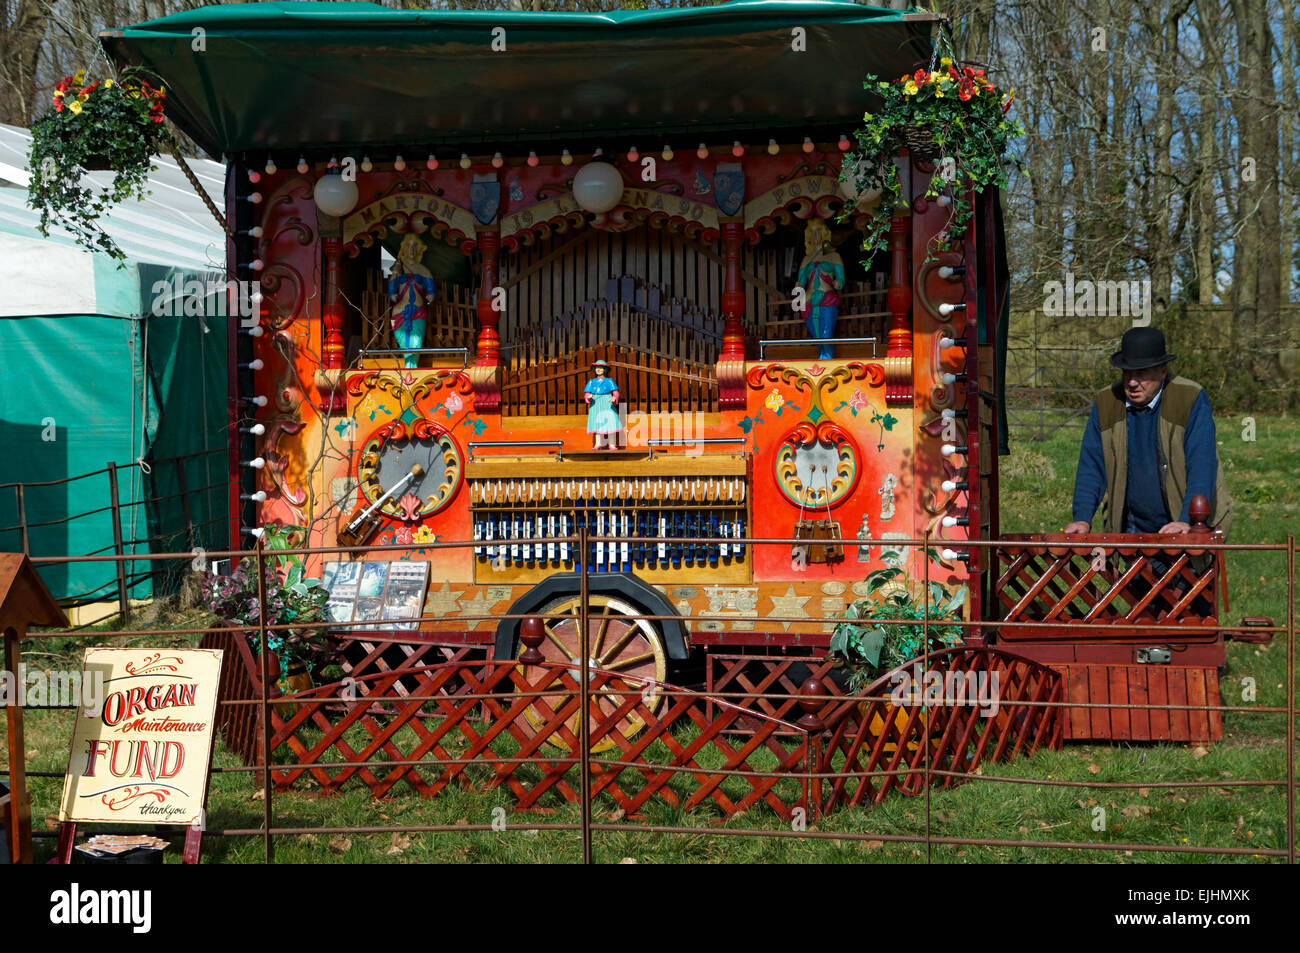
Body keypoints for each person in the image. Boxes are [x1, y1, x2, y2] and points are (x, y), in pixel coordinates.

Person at [1064, 326, 1232, 538]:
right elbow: (1092, 464)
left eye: (1141, 374)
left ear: (1162, 371)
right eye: (1127, 373)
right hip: (1131, 526)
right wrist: (1082, 517)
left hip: (1185, 524)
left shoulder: (1190, 398)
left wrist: (1186, 521)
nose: (1132, 382)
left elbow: (1201, 464)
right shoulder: (1106, 402)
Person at [794, 217, 844, 360]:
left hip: (827, 298)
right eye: (812, 232)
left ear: (824, 233)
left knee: (826, 334)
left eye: (818, 231)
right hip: (809, 300)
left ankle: (826, 361)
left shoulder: (834, 256)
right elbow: (801, 279)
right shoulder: (806, 259)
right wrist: (799, 285)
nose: (815, 235)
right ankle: (823, 357)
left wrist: (838, 283)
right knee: (817, 336)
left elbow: (841, 278)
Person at [584, 359, 621, 449]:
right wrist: (588, 397)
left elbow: (615, 392)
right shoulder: (591, 382)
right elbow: (587, 394)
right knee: (597, 423)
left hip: (607, 401)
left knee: (610, 422)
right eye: (597, 368)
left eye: (600, 368)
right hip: (596, 403)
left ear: (604, 369)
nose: (599, 370)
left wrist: (614, 398)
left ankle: (612, 444)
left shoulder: (609, 381)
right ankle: (598, 443)